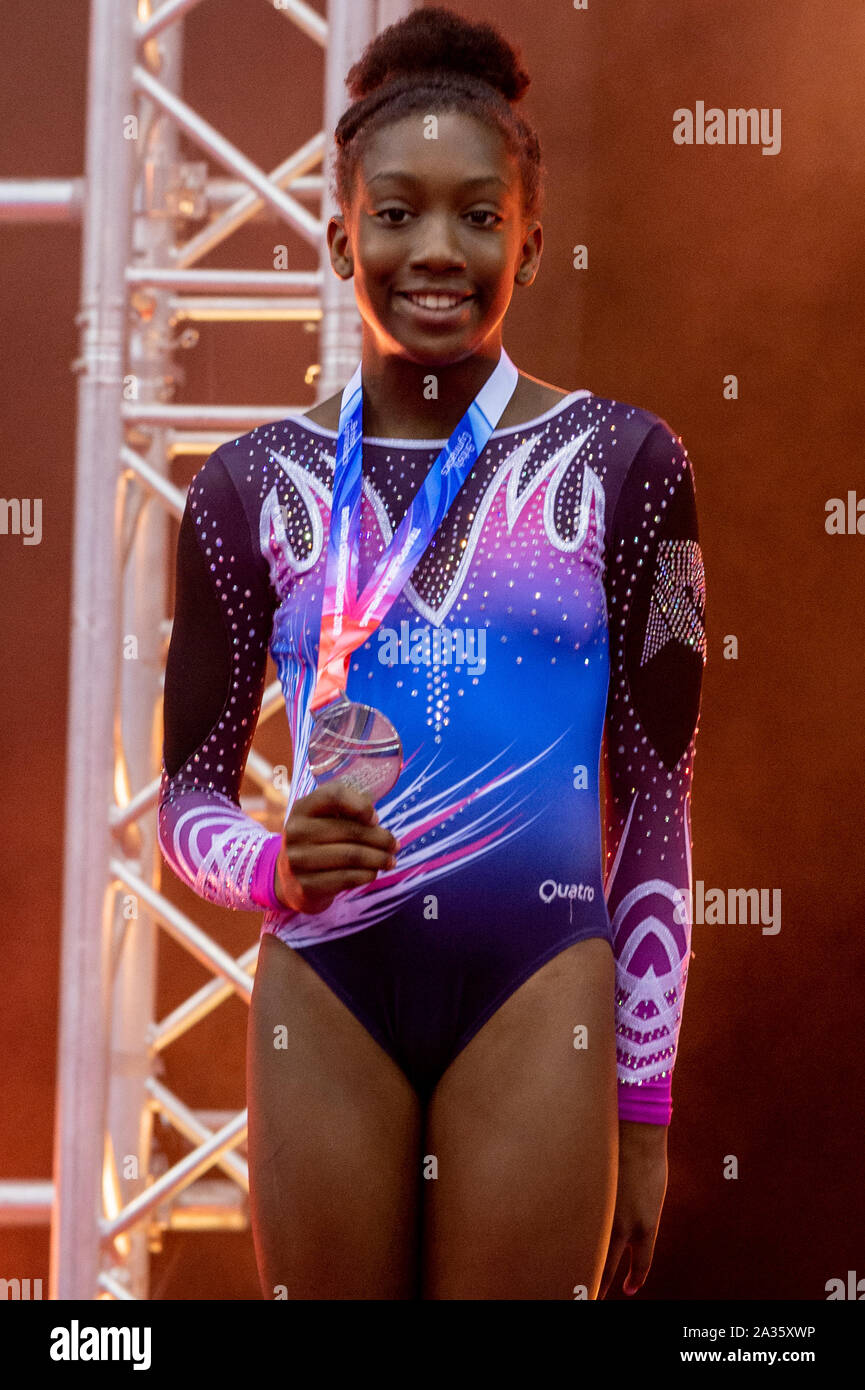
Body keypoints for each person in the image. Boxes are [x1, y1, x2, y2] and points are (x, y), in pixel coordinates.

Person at [158, 5, 706, 1300]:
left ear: (529, 233)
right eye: (396, 212)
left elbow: (661, 804)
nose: (435, 250)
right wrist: (267, 863)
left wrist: (643, 1102)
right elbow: (185, 799)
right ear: (340, 230)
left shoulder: (626, 464)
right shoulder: (249, 483)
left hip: (538, 980)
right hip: (328, 973)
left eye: (475, 213)